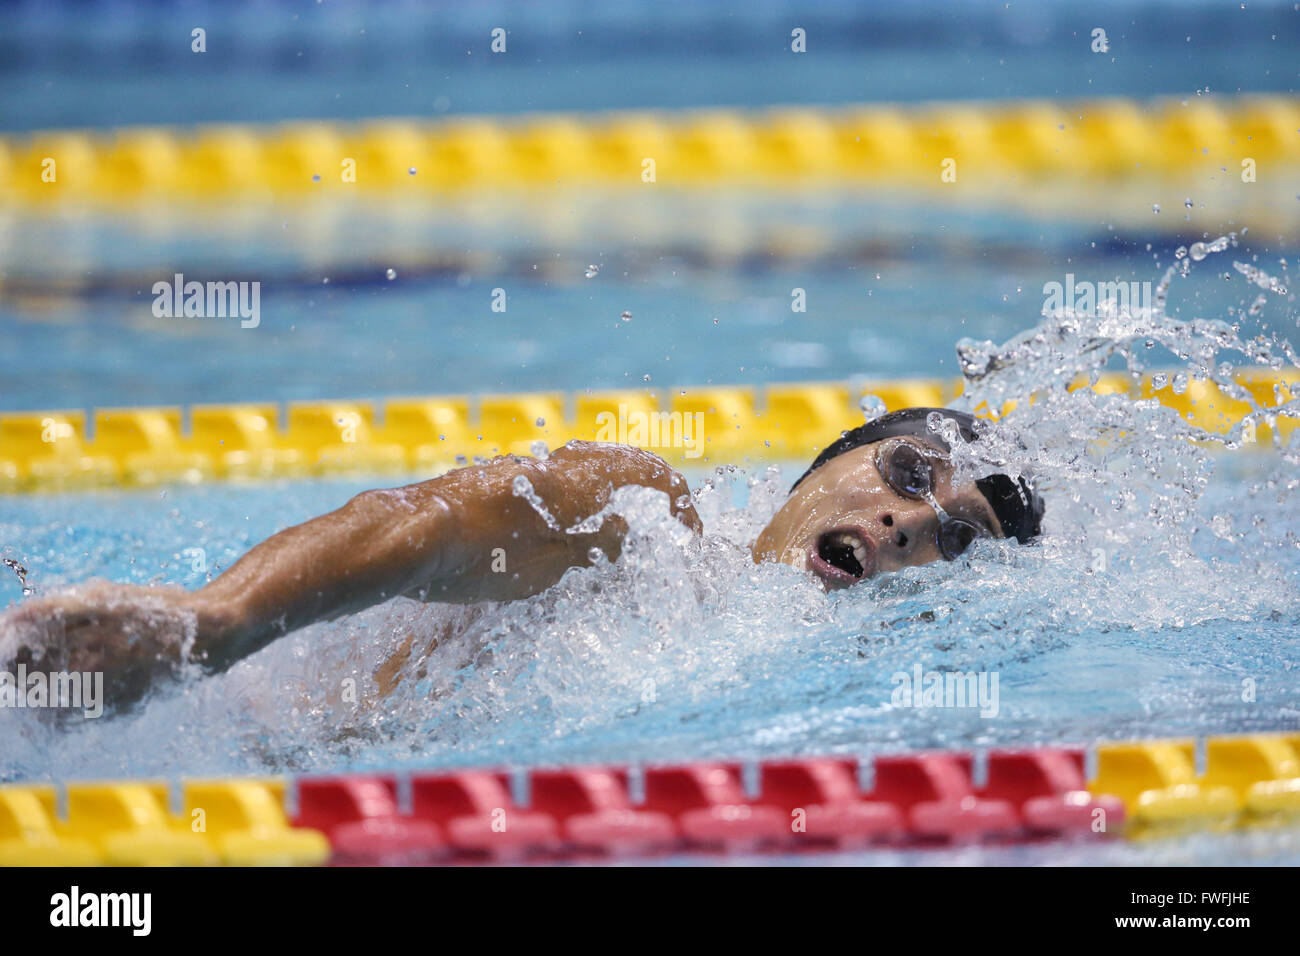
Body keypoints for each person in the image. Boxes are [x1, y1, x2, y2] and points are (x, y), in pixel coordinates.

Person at [0, 406, 1042, 715]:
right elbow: (429, 523)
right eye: (909, 471)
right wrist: (211, 625)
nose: (913, 521)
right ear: (830, 460)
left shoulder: (845, 702)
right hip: (218, 715)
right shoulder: (645, 524)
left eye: (956, 535)